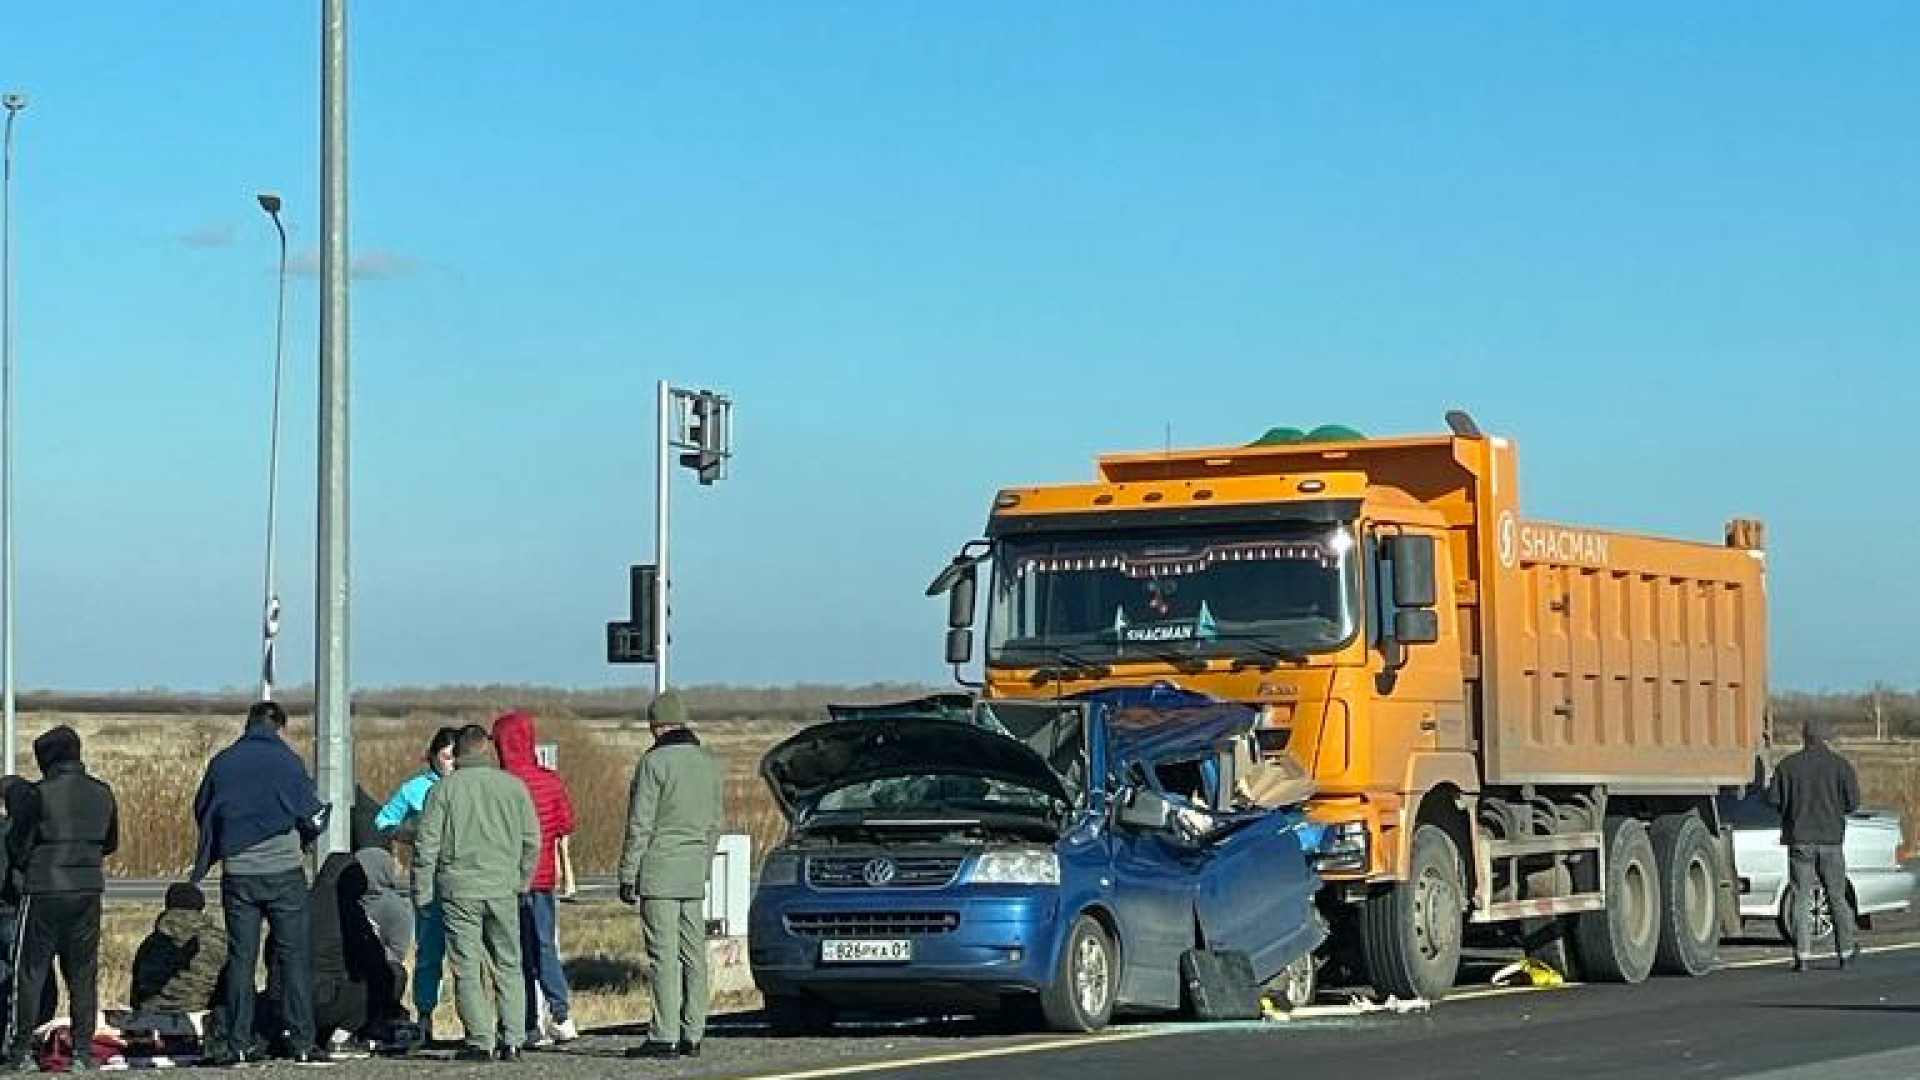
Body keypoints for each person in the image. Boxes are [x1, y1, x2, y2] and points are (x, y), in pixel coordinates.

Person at [191, 700, 329, 1066]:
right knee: (293, 956)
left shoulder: (223, 763)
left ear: (247, 725)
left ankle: (238, 1041)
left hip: (239, 872)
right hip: (284, 870)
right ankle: (302, 1041)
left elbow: (203, 809)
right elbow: (310, 812)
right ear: (279, 728)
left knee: (242, 957)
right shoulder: (288, 762)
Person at [414, 725, 540, 1063]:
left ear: (457, 753)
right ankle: (513, 1039)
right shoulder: (514, 788)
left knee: (467, 967)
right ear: (488, 750)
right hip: (503, 888)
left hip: (459, 891)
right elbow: (532, 841)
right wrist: (521, 881)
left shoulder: (443, 791)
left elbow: (426, 847)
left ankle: (480, 1040)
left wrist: (423, 894)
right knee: (508, 964)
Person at [3, 726, 119, 1072]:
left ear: (46, 759)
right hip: (88, 888)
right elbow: (111, 842)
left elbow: (18, 844)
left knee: (30, 972)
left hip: (44, 887)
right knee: (83, 973)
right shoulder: (103, 793)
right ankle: (82, 1052)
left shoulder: (38, 794)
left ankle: (21, 1050)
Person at [618, 692, 724, 1061]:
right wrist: (703, 865)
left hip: (659, 869)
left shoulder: (654, 763)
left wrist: (628, 873)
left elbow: (641, 823)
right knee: (694, 953)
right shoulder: (709, 763)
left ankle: (664, 1034)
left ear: (657, 725)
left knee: (663, 956)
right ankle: (694, 1031)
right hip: (693, 870)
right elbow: (715, 823)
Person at [492, 710, 578, 1046]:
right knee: (544, 945)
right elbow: (565, 823)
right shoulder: (549, 781)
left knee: (515, 953)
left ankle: (527, 1022)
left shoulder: (500, 784)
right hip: (542, 877)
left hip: (507, 877)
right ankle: (561, 1014)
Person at [375, 727, 458, 1042]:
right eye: (446, 757)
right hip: (429, 878)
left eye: (455, 757)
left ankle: (475, 1021)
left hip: (463, 876)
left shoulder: (468, 786)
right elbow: (383, 820)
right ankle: (425, 1015)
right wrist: (410, 834)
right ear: (433, 757)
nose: (451, 764)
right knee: (429, 950)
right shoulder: (415, 788)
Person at [1768, 718, 1864, 972]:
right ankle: (1845, 951)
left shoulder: (1788, 766)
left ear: (1804, 737)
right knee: (1837, 897)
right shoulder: (1841, 766)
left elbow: (1773, 800)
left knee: (1801, 897)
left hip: (1800, 839)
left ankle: (1802, 955)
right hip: (1831, 839)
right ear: (1826, 737)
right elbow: (1853, 804)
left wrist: (1791, 811)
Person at [129, 883, 227, 1015]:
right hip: (201, 1013)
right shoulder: (219, 940)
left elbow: (137, 992)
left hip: (153, 1013)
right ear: (201, 906)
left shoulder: (152, 942)